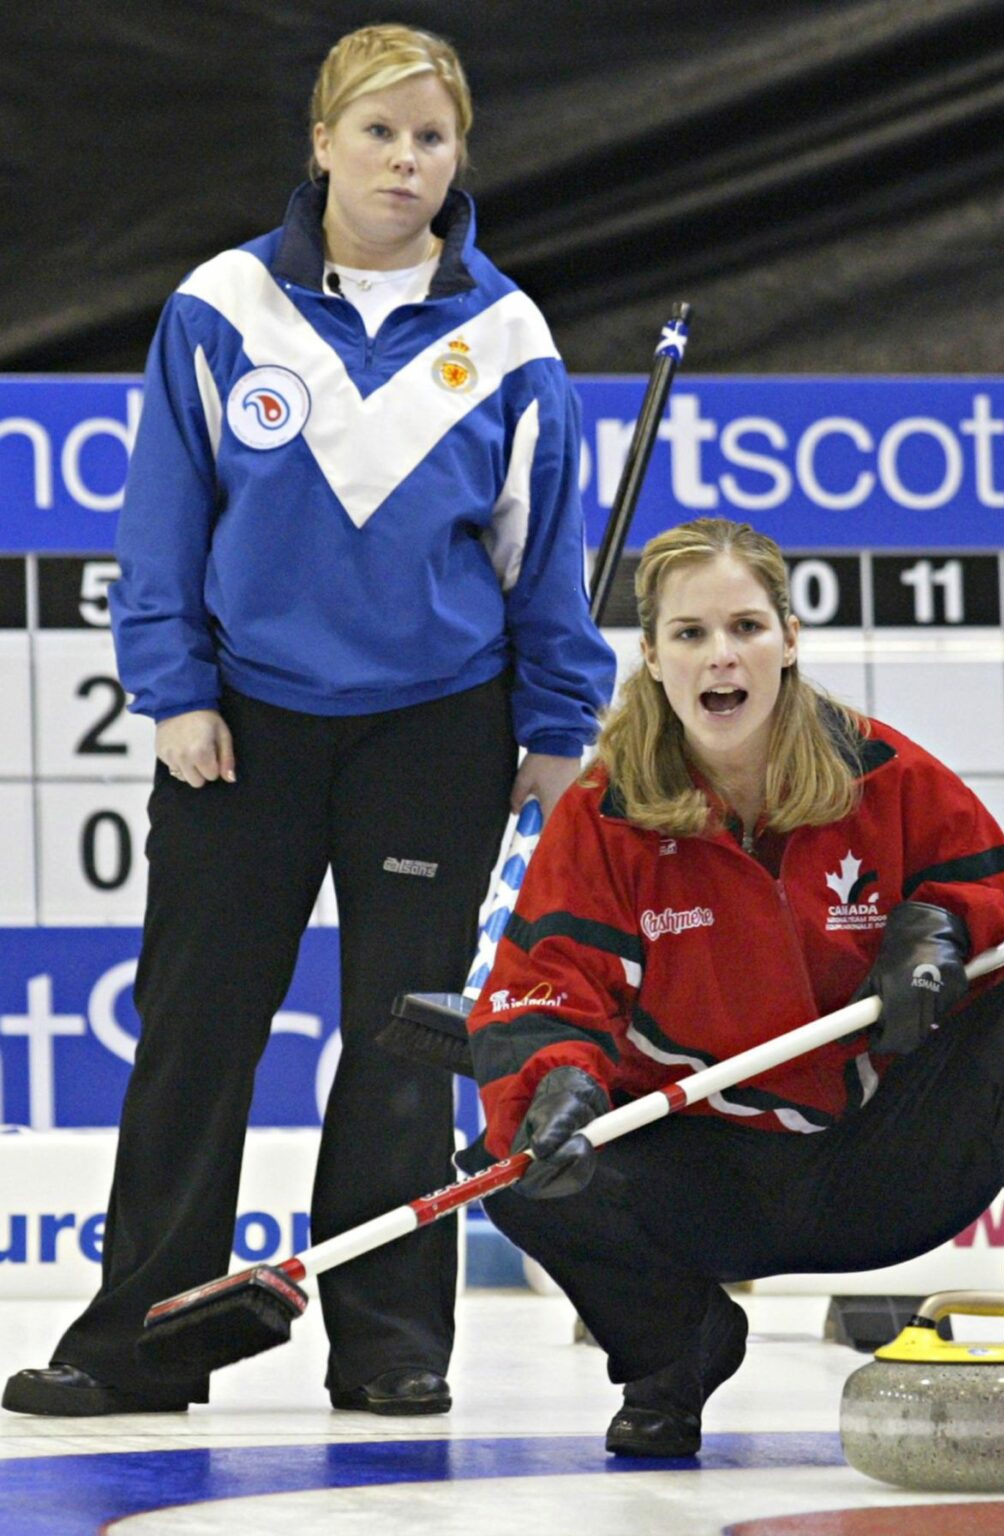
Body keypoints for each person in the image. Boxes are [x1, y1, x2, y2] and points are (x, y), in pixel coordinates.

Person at [3, 23, 613, 1418]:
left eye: (433, 138)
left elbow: (542, 553)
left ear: (459, 157)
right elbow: (163, 521)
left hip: (439, 735)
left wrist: (558, 721)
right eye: (381, 132)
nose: (407, 161)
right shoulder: (219, 310)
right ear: (323, 140)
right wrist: (176, 693)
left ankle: (392, 1341)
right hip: (243, 735)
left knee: (405, 1051)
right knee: (194, 1036)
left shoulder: (506, 334)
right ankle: (133, 1344)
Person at [458, 516, 1004, 1473]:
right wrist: (558, 1086)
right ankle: (672, 1349)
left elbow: (995, 890)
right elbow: (546, 989)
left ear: (789, 639)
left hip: (879, 1163)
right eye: (690, 634)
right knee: (517, 1160)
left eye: (746, 628)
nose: (721, 656)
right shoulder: (607, 811)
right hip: (708, 1181)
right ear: (650, 655)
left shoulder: (877, 767)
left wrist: (937, 934)